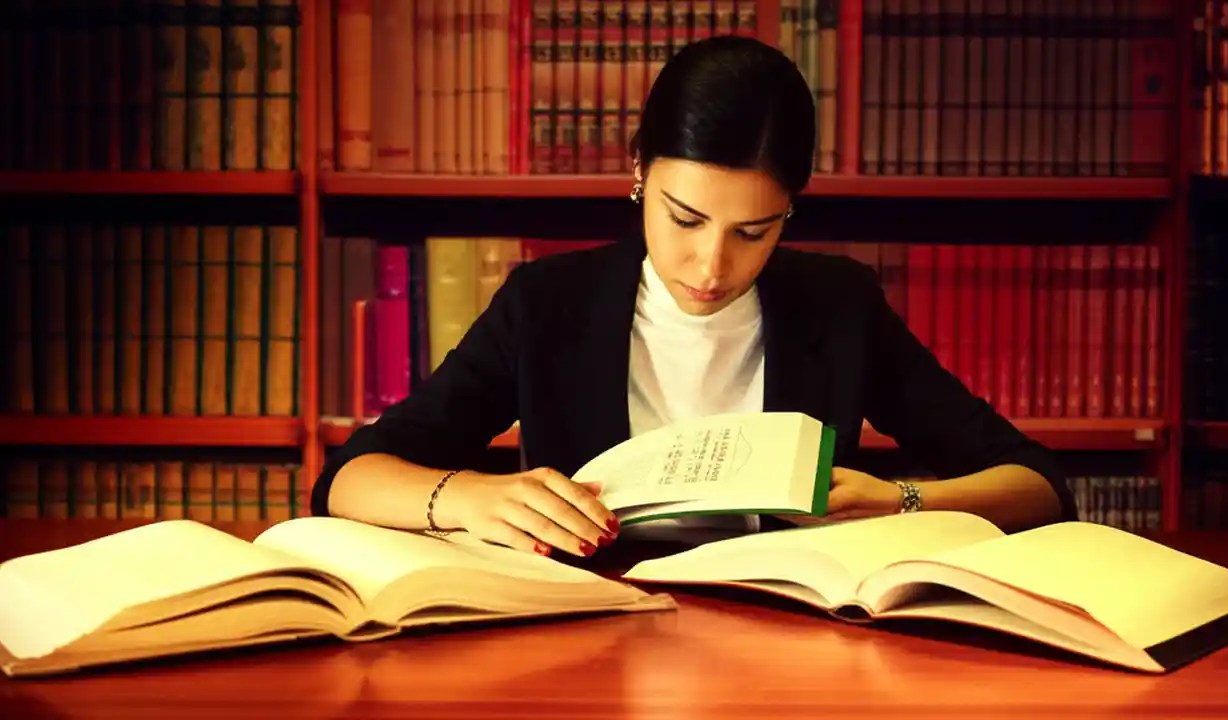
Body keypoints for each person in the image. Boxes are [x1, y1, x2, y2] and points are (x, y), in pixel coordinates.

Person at [312, 35, 1077, 560]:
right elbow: (349, 477)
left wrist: (899, 502)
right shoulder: (548, 302)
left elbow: (1037, 485)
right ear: (638, 172)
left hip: (786, 639)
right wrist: (469, 498)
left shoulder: (838, 304)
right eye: (684, 219)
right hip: (586, 635)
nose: (712, 265)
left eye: (754, 231)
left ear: (790, 210)